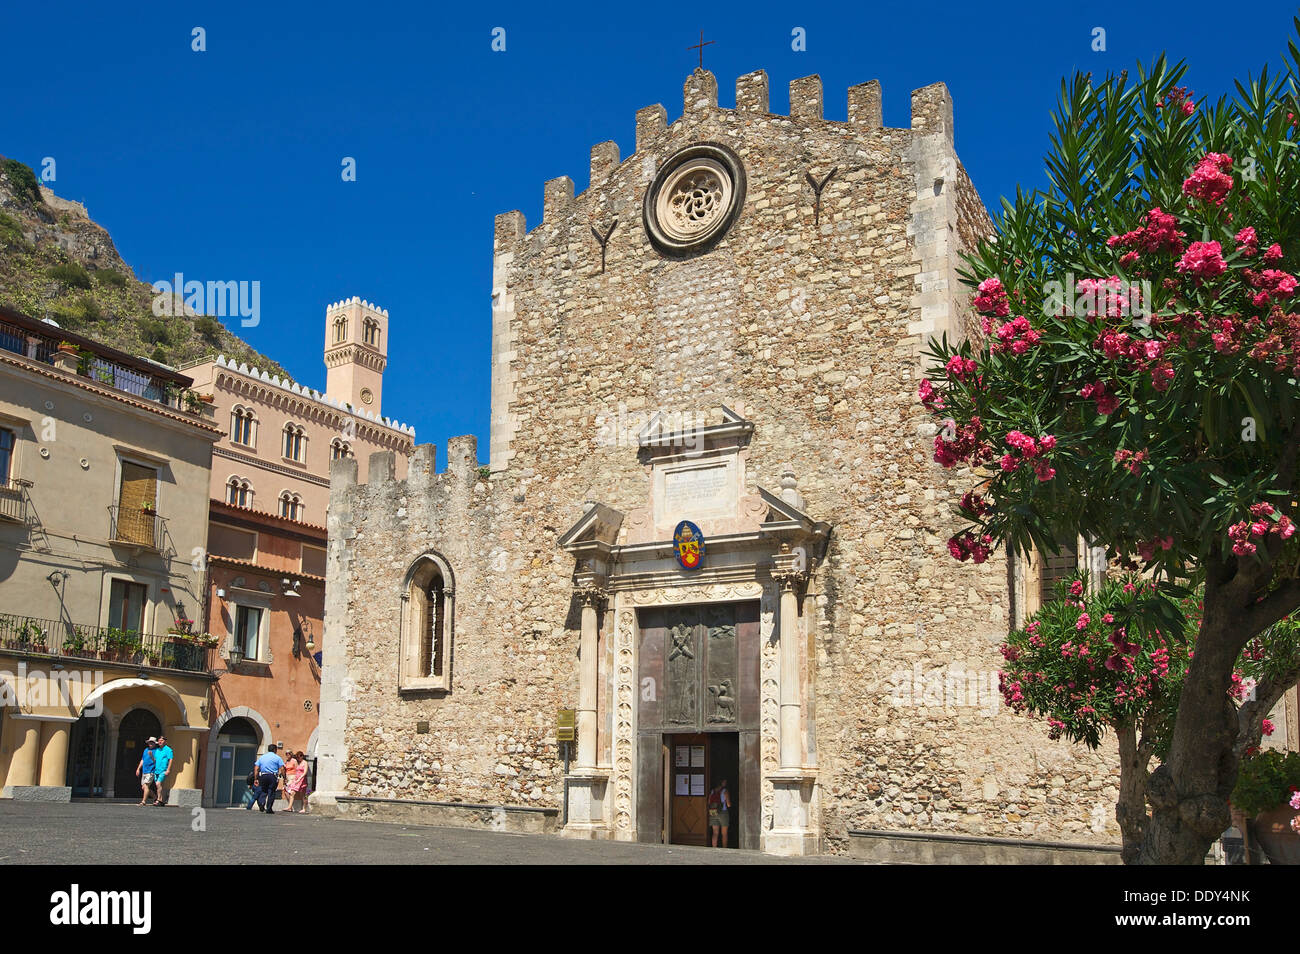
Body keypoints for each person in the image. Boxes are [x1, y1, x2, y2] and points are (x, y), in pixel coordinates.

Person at [253, 743, 285, 814]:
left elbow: (256, 768)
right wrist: (284, 777)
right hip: (272, 776)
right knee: (271, 792)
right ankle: (269, 808)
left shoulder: (262, 757)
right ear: (274, 750)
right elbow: (282, 768)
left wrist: (256, 778)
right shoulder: (277, 758)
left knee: (263, 790)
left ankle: (261, 803)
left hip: (263, 776)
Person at [151, 735, 174, 807]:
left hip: (163, 770)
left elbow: (170, 759)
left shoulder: (168, 750)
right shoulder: (157, 750)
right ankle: (160, 800)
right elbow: (155, 760)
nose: (160, 742)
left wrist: (168, 769)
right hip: (156, 770)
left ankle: (158, 800)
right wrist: (151, 756)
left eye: (162, 740)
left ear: (165, 741)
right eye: (159, 740)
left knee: (158, 784)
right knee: (158, 785)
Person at [707, 778, 731, 848]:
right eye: (724, 782)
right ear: (722, 782)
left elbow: (708, 803)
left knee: (715, 833)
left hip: (713, 812)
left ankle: (714, 848)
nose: (725, 783)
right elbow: (728, 804)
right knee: (724, 833)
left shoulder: (712, 791)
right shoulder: (725, 791)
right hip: (723, 812)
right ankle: (724, 849)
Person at [135, 737, 157, 806]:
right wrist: (138, 768)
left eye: (152, 742)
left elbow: (156, 761)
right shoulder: (146, 750)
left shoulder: (157, 751)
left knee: (146, 786)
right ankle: (155, 797)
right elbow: (143, 760)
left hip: (151, 770)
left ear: (155, 744)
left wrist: (151, 756)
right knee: (144, 787)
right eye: (150, 742)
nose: (150, 744)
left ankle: (143, 801)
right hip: (145, 770)